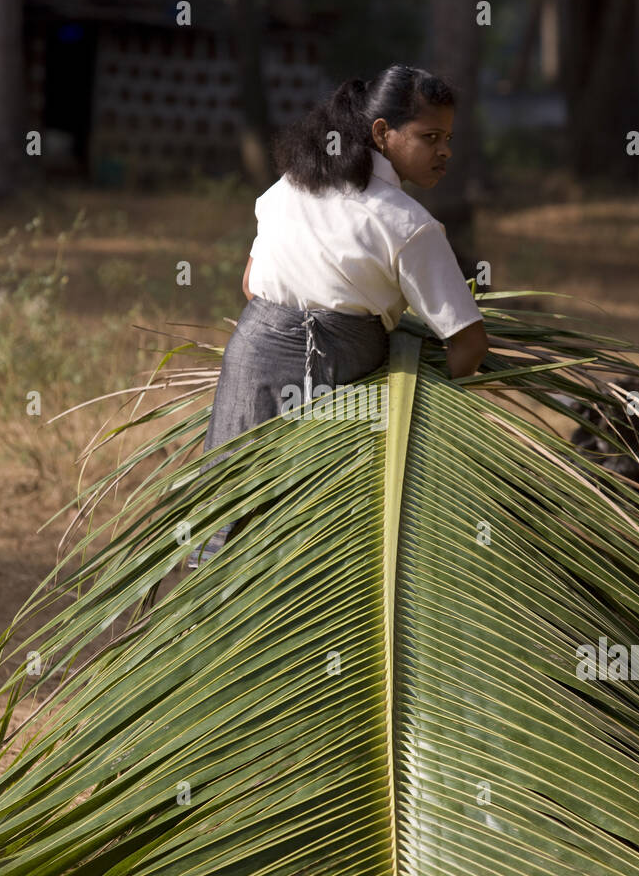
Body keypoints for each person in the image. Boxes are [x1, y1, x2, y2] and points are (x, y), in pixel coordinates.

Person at [195, 62, 488, 561]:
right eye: (430, 136)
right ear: (382, 132)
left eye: (449, 138)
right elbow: (468, 344)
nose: (445, 151)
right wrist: (415, 396)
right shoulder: (409, 224)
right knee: (318, 552)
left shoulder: (292, 185)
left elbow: (249, 284)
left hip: (251, 359)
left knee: (231, 519)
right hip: (342, 378)